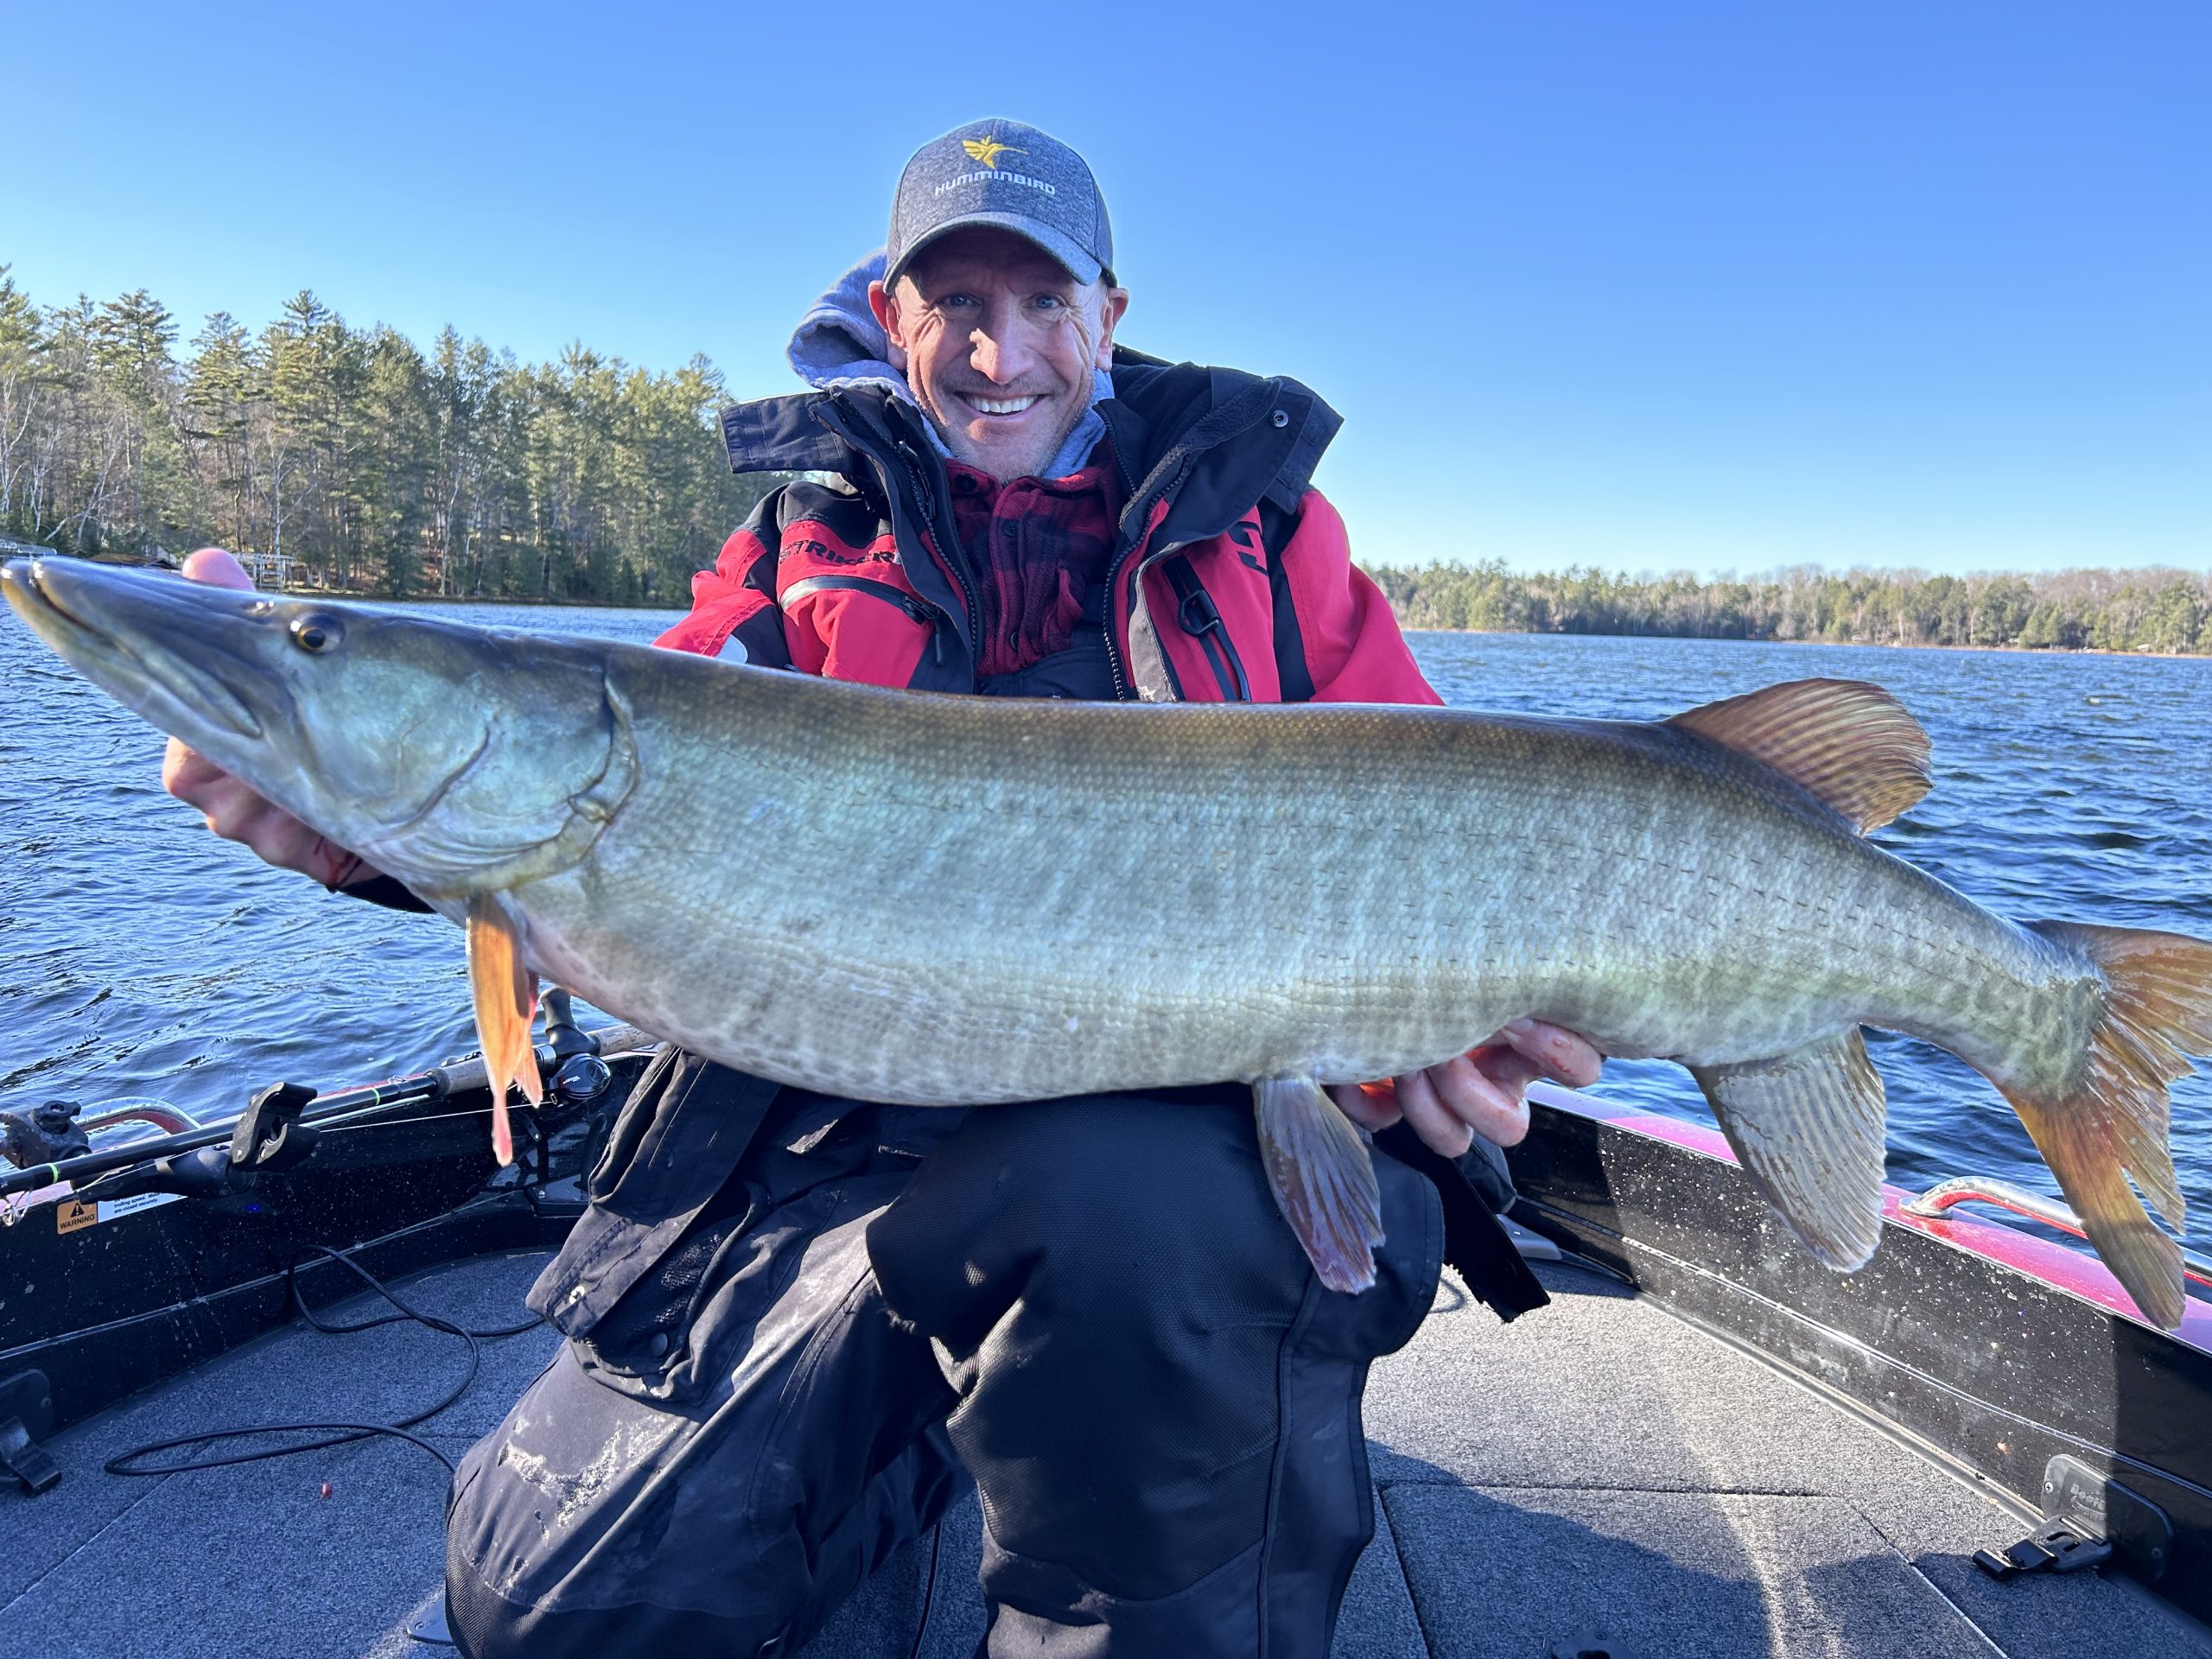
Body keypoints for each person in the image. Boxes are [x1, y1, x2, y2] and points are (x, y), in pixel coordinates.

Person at [167, 119, 1603, 1658]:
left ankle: (1143, 1478)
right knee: (548, 1610)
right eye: (957, 304)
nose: (1003, 352)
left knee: (1122, 1222)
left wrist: (1436, 1042)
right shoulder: (802, 537)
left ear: (1108, 316)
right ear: (893, 313)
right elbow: (612, 796)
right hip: (869, 1149)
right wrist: (361, 831)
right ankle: (951, 1419)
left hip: (1206, 1162)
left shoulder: (1268, 534)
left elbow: (1446, 828)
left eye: (1044, 302)